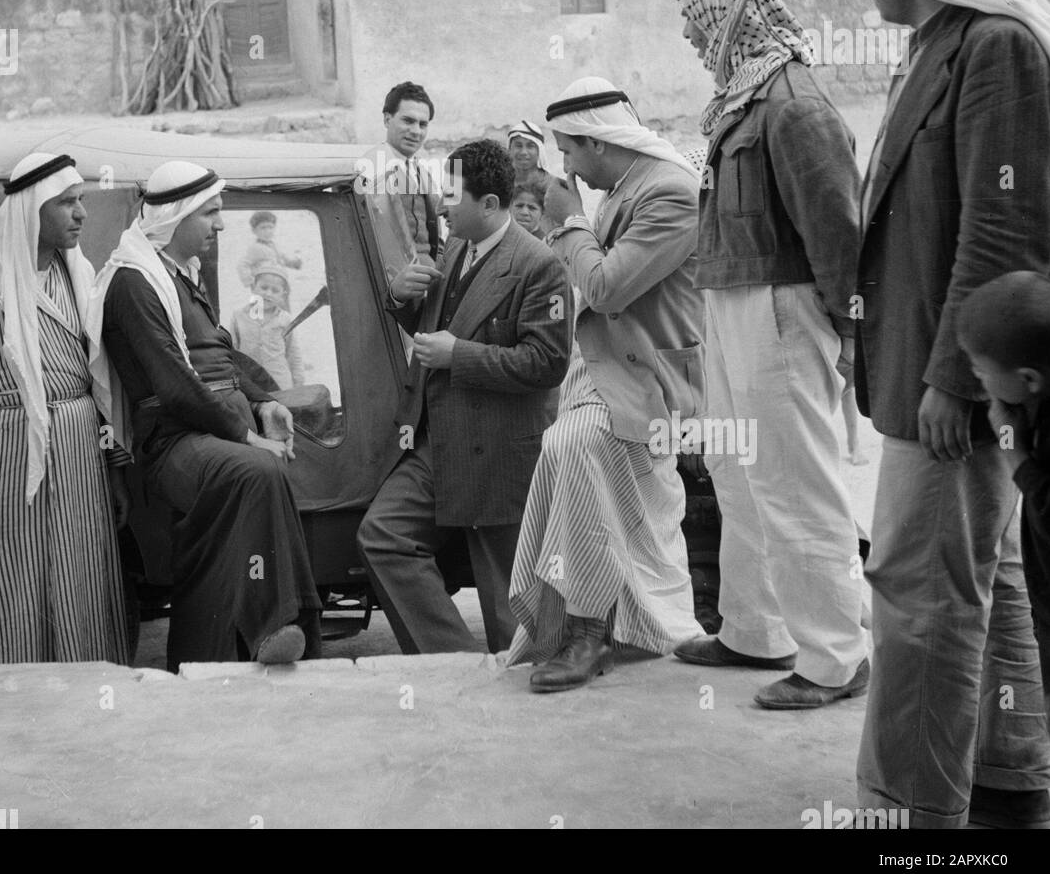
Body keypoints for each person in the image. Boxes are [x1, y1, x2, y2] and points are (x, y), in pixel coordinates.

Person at [852, 0, 1050, 829]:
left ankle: (913, 826)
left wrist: (951, 382)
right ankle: (1009, 781)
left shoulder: (997, 47)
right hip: (928, 376)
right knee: (984, 579)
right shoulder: (945, 42)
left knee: (920, 597)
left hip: (946, 389)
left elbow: (1005, 227)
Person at [669, 0, 869, 710]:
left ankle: (835, 657)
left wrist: (848, 334)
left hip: (781, 309)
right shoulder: (742, 100)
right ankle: (755, 631)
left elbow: (837, 231)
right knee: (736, 474)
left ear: (732, 15)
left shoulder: (793, 103)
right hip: (731, 307)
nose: (691, 37)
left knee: (795, 483)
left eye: (697, 20)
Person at [506, 77, 706, 692]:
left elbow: (605, 287)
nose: (562, 165)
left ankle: (587, 632)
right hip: (603, 372)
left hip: (648, 377)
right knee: (565, 456)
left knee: (576, 448)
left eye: (567, 150)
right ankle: (571, 625)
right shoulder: (627, 187)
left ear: (597, 143)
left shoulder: (669, 191)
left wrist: (568, 225)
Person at [89, 160, 322, 668]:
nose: (220, 225)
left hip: (206, 431)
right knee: (256, 469)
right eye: (211, 213)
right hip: (174, 443)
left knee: (220, 544)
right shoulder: (135, 283)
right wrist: (246, 434)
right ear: (178, 216)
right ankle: (276, 625)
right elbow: (174, 385)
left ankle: (217, 653)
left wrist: (267, 404)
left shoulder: (181, 277)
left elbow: (223, 356)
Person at [357, 138, 571, 654]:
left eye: (451, 196)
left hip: (499, 450)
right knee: (382, 536)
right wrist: (401, 297)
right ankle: (452, 660)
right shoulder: (455, 247)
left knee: (510, 609)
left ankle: (519, 697)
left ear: (490, 205)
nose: (441, 205)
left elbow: (548, 364)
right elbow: (435, 327)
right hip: (436, 441)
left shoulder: (539, 265)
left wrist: (461, 357)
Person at [0, 152, 129, 665]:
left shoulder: (78, 276)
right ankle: (12, 708)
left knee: (78, 581)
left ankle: (83, 701)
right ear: (29, 211)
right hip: (4, 461)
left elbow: (102, 384)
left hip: (80, 456)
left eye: (81, 200)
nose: (80, 213)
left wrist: (116, 470)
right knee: (10, 590)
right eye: (65, 203)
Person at [959, 271, 1050, 756]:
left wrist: (1013, 448)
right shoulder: (1040, 396)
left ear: (1028, 379)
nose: (978, 380)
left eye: (980, 370)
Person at [362, 81, 443, 264]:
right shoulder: (368, 169)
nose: (416, 131)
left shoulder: (423, 172)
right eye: (408, 121)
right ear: (387, 119)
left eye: (423, 124)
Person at [230, 262, 306, 390]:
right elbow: (231, 351)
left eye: (275, 290)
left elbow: (294, 355)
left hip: (280, 384)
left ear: (283, 294)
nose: (268, 293)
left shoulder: (285, 319)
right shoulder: (238, 316)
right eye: (264, 287)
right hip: (250, 385)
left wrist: (298, 385)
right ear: (254, 287)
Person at [234, 209, 302, 290]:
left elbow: (283, 258)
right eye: (263, 228)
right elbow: (242, 264)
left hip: (278, 282)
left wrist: (294, 263)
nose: (268, 231)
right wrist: (249, 281)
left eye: (270, 227)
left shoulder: (274, 245)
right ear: (254, 231)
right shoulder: (255, 248)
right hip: (263, 286)